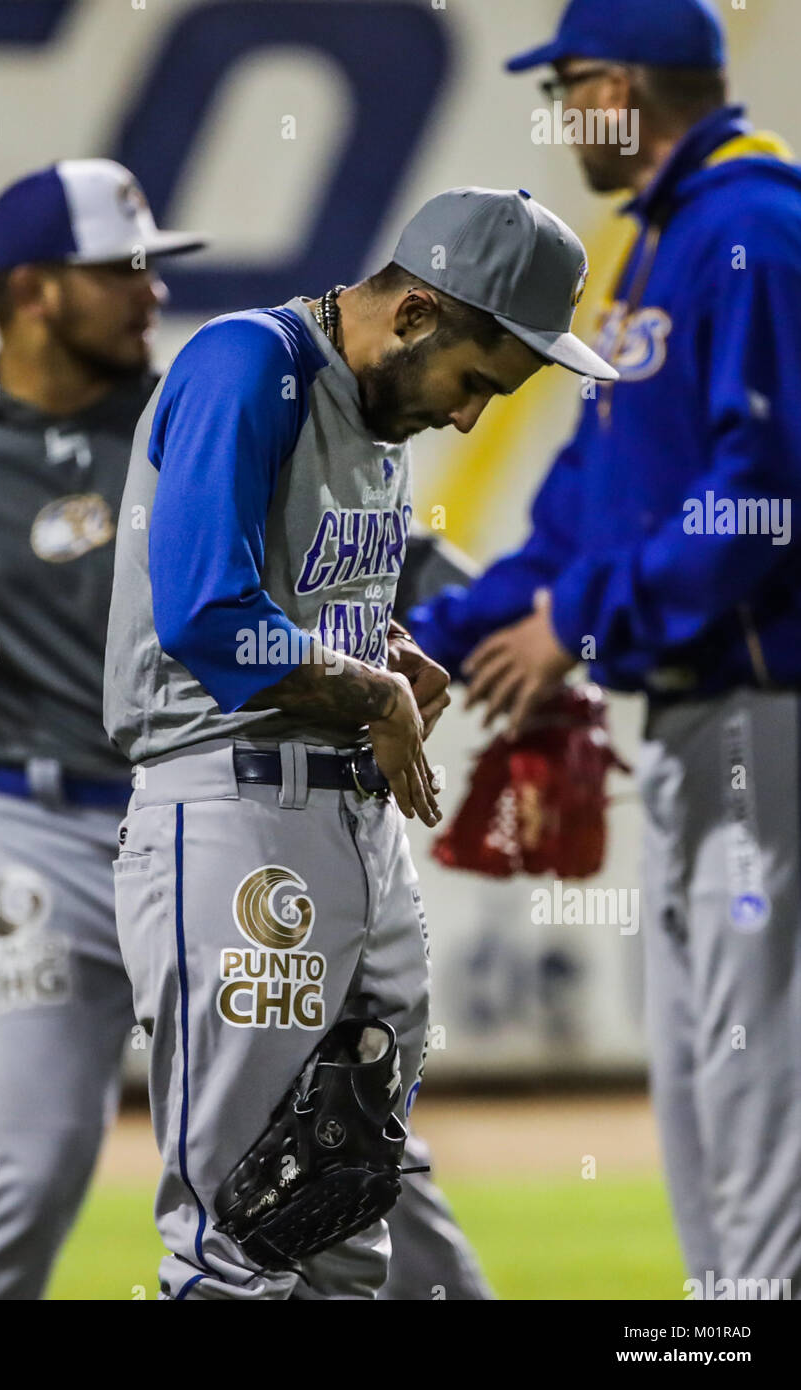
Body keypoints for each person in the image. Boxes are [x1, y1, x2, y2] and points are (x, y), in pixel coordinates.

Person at [0, 159, 493, 1301]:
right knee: (36, 1163)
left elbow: (398, 570)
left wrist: (491, 635)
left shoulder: (210, 407)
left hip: (248, 813)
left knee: (365, 1163)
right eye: (120, 269)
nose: (151, 290)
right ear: (30, 291)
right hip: (48, 838)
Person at [105, 185, 616, 1299]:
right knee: (240, 1232)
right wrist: (375, 693)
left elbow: (297, 605)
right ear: (418, 313)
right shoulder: (250, 362)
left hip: (347, 827)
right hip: (232, 819)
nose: (471, 417)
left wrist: (382, 649)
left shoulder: (372, 408)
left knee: (339, 1213)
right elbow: (205, 610)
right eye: (476, 383)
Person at [408, 0, 801, 1297]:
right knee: (698, 1080)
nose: (560, 108)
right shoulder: (657, 244)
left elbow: (769, 490)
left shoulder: (752, 226)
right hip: (698, 720)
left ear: (624, 85)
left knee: (760, 1083)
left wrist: (579, 620)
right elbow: (577, 508)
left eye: (569, 83)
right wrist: (425, 637)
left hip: (771, 712)